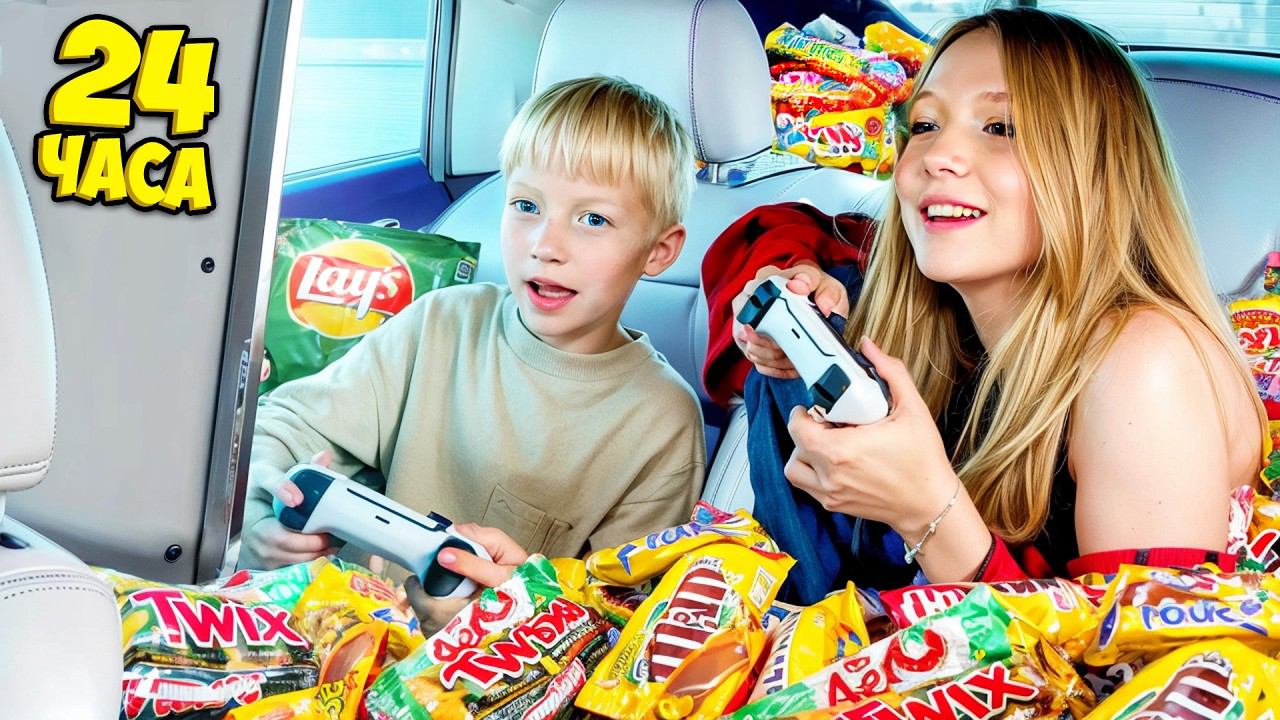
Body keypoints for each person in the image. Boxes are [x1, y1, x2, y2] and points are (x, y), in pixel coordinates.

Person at [731, 7, 1267, 591]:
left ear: (1095, 173)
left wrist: (927, 512)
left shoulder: (1147, 364)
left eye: (1000, 129)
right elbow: (802, 229)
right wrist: (792, 279)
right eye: (925, 124)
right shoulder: (941, 325)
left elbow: (1143, 643)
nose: (937, 155)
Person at [238, 76, 707, 581]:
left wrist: (519, 599)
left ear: (659, 251)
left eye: (593, 219)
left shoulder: (664, 424)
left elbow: (618, 609)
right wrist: (260, 512)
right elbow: (283, 427)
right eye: (526, 206)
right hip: (336, 614)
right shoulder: (441, 323)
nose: (545, 246)